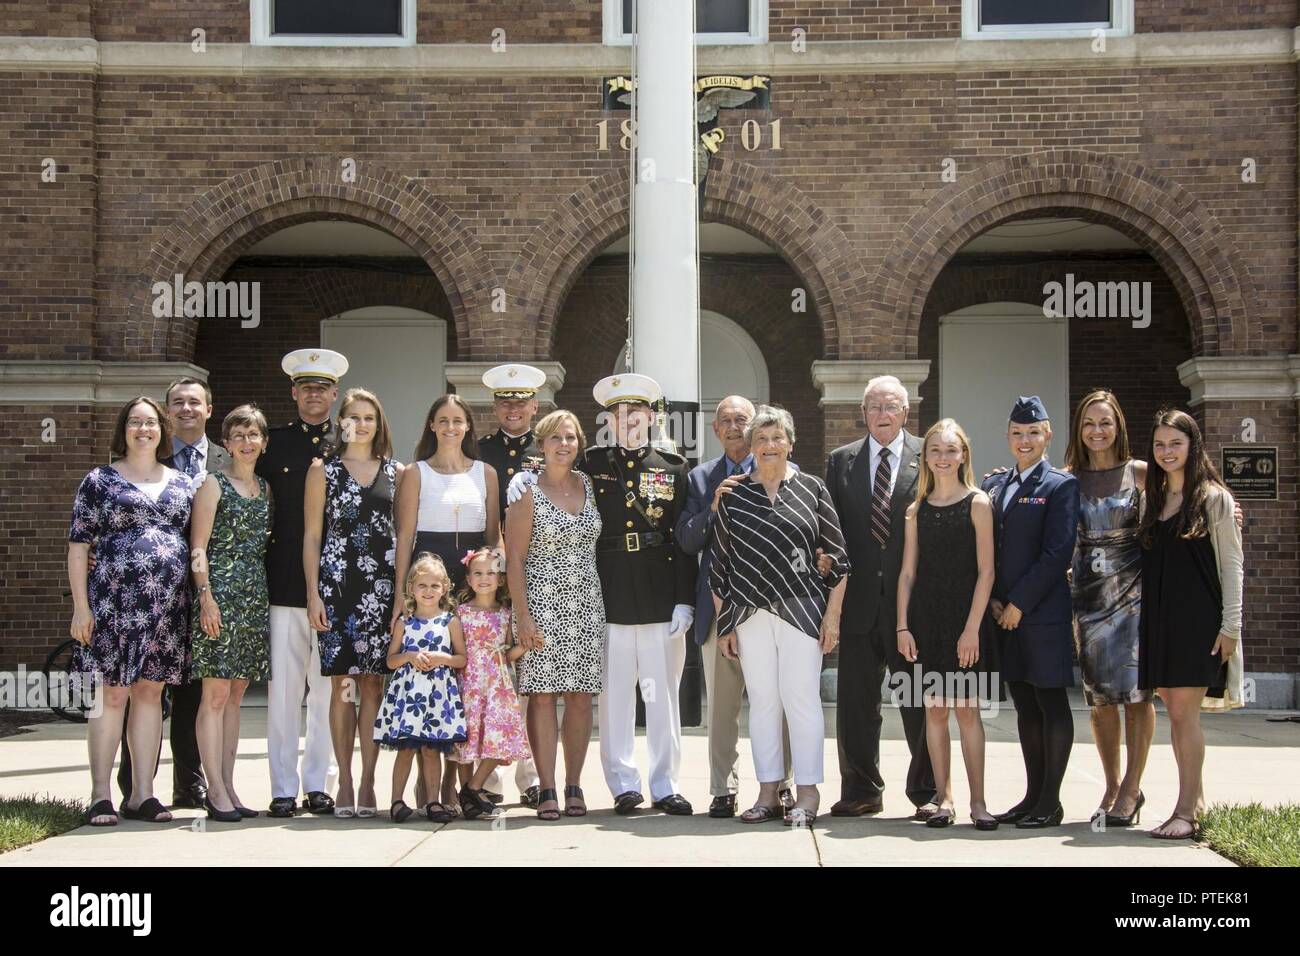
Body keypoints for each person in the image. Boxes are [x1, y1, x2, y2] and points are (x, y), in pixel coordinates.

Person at [712, 405, 849, 825]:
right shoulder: (734, 495)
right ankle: (768, 791)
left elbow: (840, 559)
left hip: (803, 612)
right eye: (761, 439)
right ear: (750, 447)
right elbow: (720, 565)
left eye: (777, 439)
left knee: (802, 700)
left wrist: (832, 619)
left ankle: (808, 792)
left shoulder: (812, 489)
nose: (769, 446)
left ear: (790, 443)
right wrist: (726, 625)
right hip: (749, 614)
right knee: (765, 703)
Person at [68, 396, 197, 826]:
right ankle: (100, 794)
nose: (143, 429)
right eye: (135, 423)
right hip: (113, 603)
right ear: (123, 430)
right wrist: (81, 607)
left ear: (163, 430)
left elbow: (195, 545)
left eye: (151, 423)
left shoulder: (182, 483)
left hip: (166, 608)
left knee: (150, 694)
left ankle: (143, 794)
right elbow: (78, 545)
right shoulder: (100, 480)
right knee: (112, 693)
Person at [581, 374, 696, 816]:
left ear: (651, 416)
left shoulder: (672, 466)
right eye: (619, 414)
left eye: (637, 413)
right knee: (614, 694)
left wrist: (684, 597)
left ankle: (666, 784)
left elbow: (682, 538)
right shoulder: (591, 464)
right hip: (609, 589)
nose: (628, 420)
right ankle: (623, 784)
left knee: (662, 693)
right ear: (609, 419)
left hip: (659, 592)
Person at [824, 375, 937, 818]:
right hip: (857, 605)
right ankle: (861, 790)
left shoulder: (930, 454)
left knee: (916, 701)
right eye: (874, 407)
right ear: (863, 413)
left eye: (891, 407)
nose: (883, 416)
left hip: (910, 606)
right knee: (855, 705)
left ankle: (927, 793)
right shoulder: (841, 461)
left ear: (906, 412)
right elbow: (830, 533)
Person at [676, 396, 794, 818]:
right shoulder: (700, 477)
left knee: (775, 700)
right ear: (714, 430)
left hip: (770, 609)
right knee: (723, 708)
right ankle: (723, 788)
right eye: (724, 420)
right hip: (718, 610)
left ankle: (781, 784)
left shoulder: (779, 472)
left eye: (740, 420)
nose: (732, 427)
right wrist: (713, 508)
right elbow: (687, 540)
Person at [116, 377, 228, 808]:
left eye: (194, 402)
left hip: (205, 589)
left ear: (209, 409)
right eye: (177, 403)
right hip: (146, 591)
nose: (186, 409)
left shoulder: (226, 456)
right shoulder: (142, 457)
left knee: (193, 689)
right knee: (140, 687)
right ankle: (135, 787)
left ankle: (189, 782)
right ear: (167, 412)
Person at [1137, 408, 1245, 839]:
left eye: (1175, 444)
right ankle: (1194, 802)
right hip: (1160, 621)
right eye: (1160, 444)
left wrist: (1231, 626)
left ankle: (1185, 812)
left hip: (1199, 623)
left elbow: (1232, 565)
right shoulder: (1153, 501)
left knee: (1183, 715)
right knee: (1177, 715)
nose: (1167, 452)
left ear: (1192, 445)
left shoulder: (1215, 499)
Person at [392, 392, 497, 812]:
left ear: (468, 426)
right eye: (442, 420)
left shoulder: (486, 473)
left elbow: (493, 538)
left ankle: (457, 786)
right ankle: (426, 788)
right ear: (432, 426)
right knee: (427, 683)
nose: (451, 427)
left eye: (458, 420)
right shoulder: (416, 473)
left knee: (463, 687)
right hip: (429, 581)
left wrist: (492, 594)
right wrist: (402, 595)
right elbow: (405, 537)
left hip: (472, 583)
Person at [981, 396, 1080, 829]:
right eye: (1018, 433)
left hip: (1041, 615)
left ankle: (1051, 801)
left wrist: (1019, 603)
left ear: (1048, 436)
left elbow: (1057, 553)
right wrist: (997, 601)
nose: (1025, 440)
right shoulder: (996, 486)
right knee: (1024, 706)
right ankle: (1031, 796)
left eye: (1033, 433)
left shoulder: (1060, 485)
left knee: (1051, 702)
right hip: (1005, 615)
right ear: (1008, 436)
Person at [895, 419, 997, 830]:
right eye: (934, 449)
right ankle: (945, 798)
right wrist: (902, 626)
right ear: (926, 457)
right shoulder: (915, 510)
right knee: (934, 711)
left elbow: (987, 572)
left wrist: (972, 628)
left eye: (950, 449)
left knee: (967, 711)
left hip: (964, 620)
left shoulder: (978, 503)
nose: (942, 457)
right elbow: (907, 574)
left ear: (963, 455)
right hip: (926, 620)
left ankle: (978, 802)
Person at [257, 348, 346, 818]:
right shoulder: (274, 444)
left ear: (335, 393)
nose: (314, 395)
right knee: (285, 689)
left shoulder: (350, 441)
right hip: (285, 579)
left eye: (322, 388)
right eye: (306, 387)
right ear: (294, 393)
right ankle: (282, 786)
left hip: (338, 585)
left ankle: (319, 783)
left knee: (327, 692)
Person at [306, 387, 402, 819]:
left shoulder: (398, 472)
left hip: (381, 590)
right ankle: (343, 778)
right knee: (342, 685)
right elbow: (312, 537)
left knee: (373, 685)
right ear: (340, 423)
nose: (361, 424)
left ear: (379, 424)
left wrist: (400, 594)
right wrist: (313, 593)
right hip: (339, 588)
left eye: (369, 417)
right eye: (353, 417)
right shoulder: (322, 471)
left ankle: (368, 779)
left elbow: (405, 537)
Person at [505, 409, 605, 821]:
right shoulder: (526, 490)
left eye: (571, 438)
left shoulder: (589, 485)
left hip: (585, 603)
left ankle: (574, 784)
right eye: (555, 438)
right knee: (543, 697)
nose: (564, 445)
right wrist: (523, 617)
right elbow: (513, 558)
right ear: (541, 445)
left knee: (581, 697)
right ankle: (546, 786)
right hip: (541, 604)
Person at [188, 404, 273, 822]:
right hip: (219, 594)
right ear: (226, 442)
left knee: (237, 693)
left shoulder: (265, 488)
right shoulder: (212, 484)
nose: (246, 442)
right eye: (238, 435)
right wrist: (206, 596)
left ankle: (230, 784)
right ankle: (214, 789)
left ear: (263, 442)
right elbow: (198, 547)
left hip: (253, 595)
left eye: (253, 434)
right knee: (215, 693)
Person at [476, 363, 545, 807]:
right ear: (495, 406)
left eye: (521, 400)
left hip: (539, 576)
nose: (513, 408)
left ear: (535, 406)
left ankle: (531, 775)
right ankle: (489, 778)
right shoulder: (479, 451)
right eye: (505, 400)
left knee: (533, 680)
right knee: (490, 678)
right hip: (489, 581)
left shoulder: (550, 449)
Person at [376, 553, 468, 824]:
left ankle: (433, 801)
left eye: (434, 586)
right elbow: (390, 661)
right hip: (409, 697)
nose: (428, 591)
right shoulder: (405, 623)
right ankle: (396, 801)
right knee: (405, 749)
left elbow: (462, 658)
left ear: (445, 588)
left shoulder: (449, 621)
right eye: (422, 586)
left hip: (437, 697)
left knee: (431, 750)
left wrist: (443, 659)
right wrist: (409, 656)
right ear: (411, 589)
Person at [451, 547, 531, 820]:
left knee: (502, 738)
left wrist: (524, 646)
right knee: (467, 743)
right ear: (469, 579)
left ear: (501, 579)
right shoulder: (460, 613)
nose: (484, 578)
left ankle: (473, 787)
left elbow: (507, 654)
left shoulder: (506, 614)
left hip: (498, 685)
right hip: (470, 683)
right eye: (478, 573)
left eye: (490, 573)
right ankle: (468, 797)